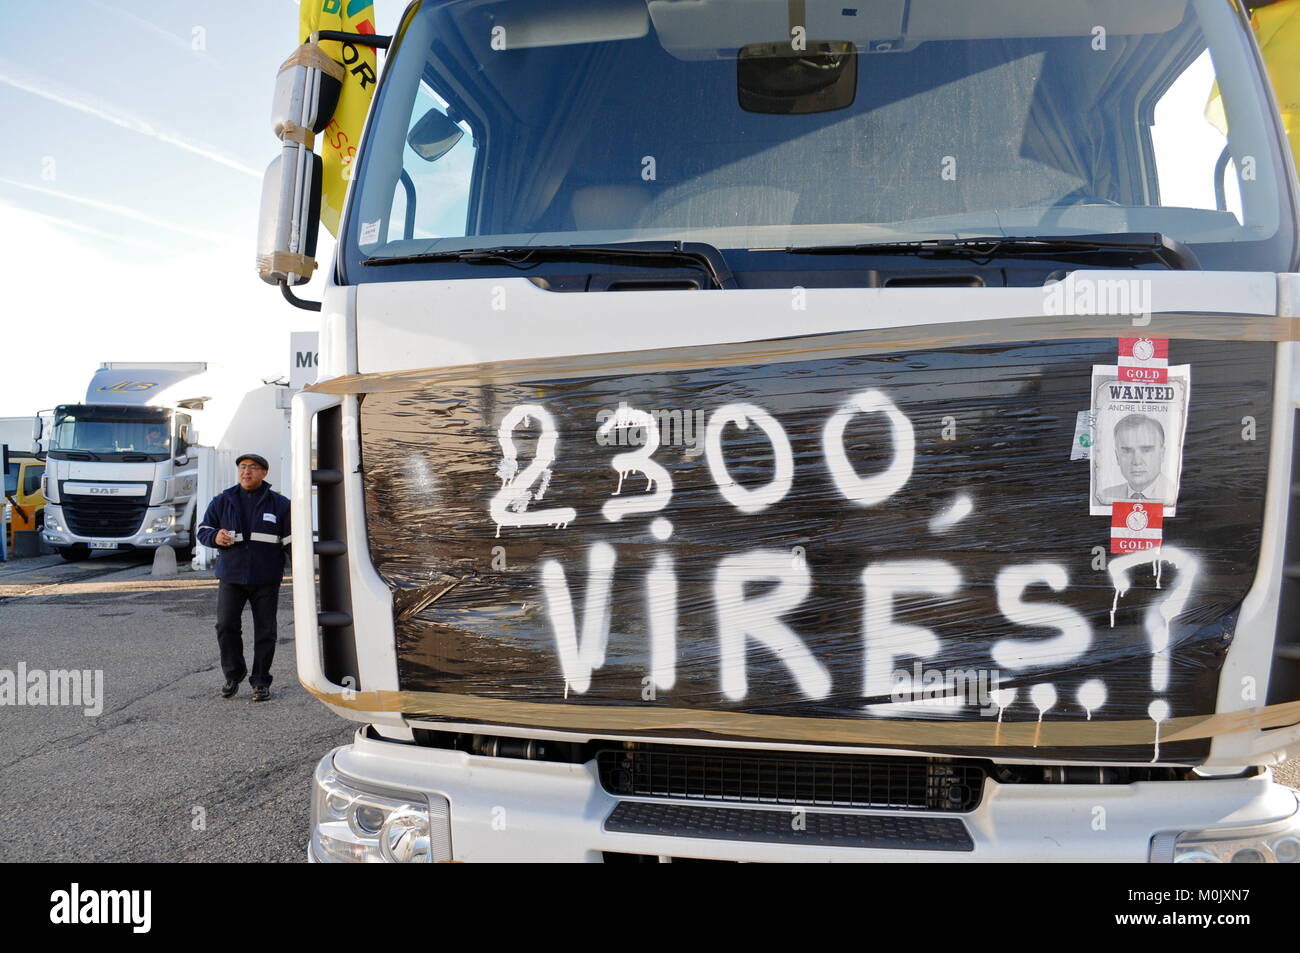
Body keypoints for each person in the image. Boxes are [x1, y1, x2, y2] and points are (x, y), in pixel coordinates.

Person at [196, 454, 291, 701]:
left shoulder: (280, 504)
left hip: (266, 577)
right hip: (231, 575)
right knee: (225, 625)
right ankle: (234, 674)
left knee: (265, 631)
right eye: (242, 467)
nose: (246, 472)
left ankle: (261, 681)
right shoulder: (223, 500)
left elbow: (292, 541)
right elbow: (204, 530)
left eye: (252, 468)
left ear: (264, 473)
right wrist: (215, 536)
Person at [1099, 414, 1174, 504]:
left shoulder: (1175, 494)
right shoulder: (1104, 497)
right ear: (1117, 456)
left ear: (1162, 454)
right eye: (1127, 451)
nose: (1137, 462)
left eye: (1146, 450)